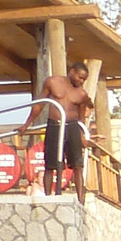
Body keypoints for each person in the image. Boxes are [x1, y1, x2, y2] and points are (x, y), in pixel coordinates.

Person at [39, 60, 93, 201]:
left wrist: (82, 136)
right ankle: (48, 197)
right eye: (80, 77)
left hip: (72, 126)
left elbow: (81, 118)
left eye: (84, 79)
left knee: (77, 165)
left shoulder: (82, 94)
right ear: (72, 71)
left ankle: (81, 199)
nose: (81, 81)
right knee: (50, 164)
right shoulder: (52, 82)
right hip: (54, 125)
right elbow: (39, 104)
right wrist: (26, 125)